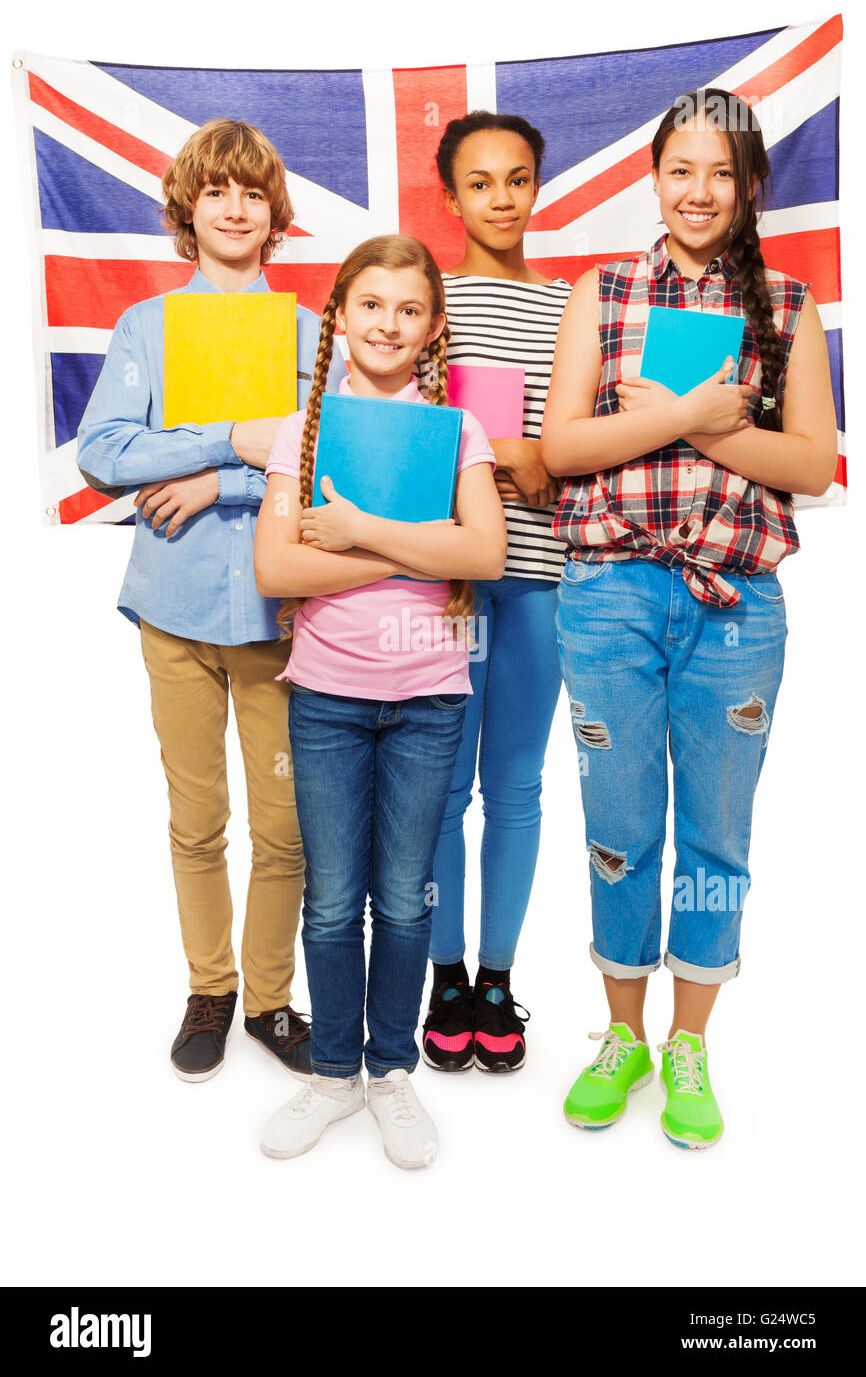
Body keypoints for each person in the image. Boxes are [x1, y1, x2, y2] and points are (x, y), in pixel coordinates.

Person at [541, 88, 837, 1147]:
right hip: (609, 591)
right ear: (652, 178)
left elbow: (810, 462)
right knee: (617, 829)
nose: (698, 191)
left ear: (749, 182)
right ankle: (619, 1034)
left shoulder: (789, 305)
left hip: (736, 604)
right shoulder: (602, 290)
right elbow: (562, 450)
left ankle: (688, 1042)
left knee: (716, 836)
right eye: (680, 170)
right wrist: (689, 413)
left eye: (720, 172)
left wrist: (698, 433)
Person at [77, 119, 346, 1084]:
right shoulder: (146, 327)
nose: (235, 208)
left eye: (252, 193)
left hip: (281, 618)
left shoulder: (316, 333)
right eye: (216, 193)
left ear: (276, 214)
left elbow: (323, 463)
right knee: (196, 820)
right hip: (173, 612)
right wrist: (231, 436)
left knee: (285, 828)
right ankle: (212, 985)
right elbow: (104, 453)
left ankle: (272, 998)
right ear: (189, 211)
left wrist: (216, 482)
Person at [254, 235, 506, 1167]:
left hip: (429, 696)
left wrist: (356, 531)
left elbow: (484, 556)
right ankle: (334, 1074)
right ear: (341, 317)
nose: (389, 325)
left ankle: (391, 1070)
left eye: (408, 309)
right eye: (371, 306)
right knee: (331, 903)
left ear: (432, 325)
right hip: (324, 697)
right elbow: (276, 566)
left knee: (403, 900)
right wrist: (417, 543)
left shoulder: (456, 431)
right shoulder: (304, 428)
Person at [421, 111, 570, 1075]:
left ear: (536, 186)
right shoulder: (429, 305)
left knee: (516, 786)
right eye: (480, 182)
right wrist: (506, 462)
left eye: (517, 178)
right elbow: (409, 438)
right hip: (443, 584)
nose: (502, 198)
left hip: (542, 577)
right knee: (439, 789)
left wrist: (528, 459)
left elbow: (574, 456)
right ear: (451, 197)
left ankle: (498, 976)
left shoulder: (569, 308)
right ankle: (442, 973)